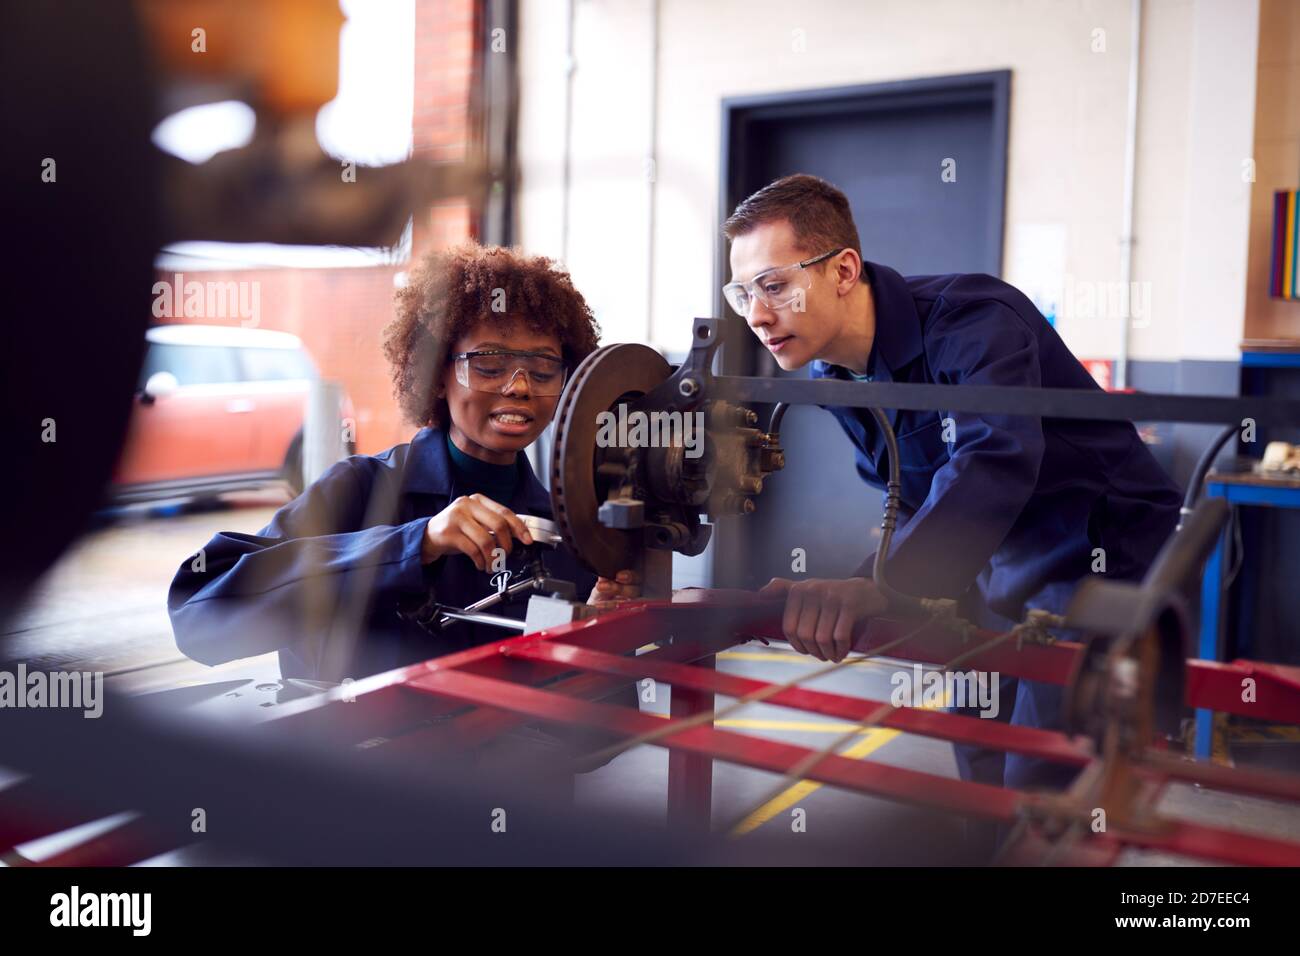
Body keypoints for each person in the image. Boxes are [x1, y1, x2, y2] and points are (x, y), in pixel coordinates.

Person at [722, 174, 1182, 806]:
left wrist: (873, 586)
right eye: (742, 292)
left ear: (845, 270)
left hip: (1098, 550)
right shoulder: (840, 379)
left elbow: (994, 459)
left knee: (1041, 772)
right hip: (995, 561)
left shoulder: (975, 319)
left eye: (774, 286)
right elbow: (911, 501)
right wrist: (865, 587)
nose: (756, 314)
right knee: (978, 742)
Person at [168, 241, 640, 685]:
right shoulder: (359, 491)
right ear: (436, 376)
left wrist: (591, 634)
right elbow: (198, 617)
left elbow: (588, 738)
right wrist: (417, 544)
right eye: (490, 366)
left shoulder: (568, 530)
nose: (518, 388)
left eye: (541, 371)